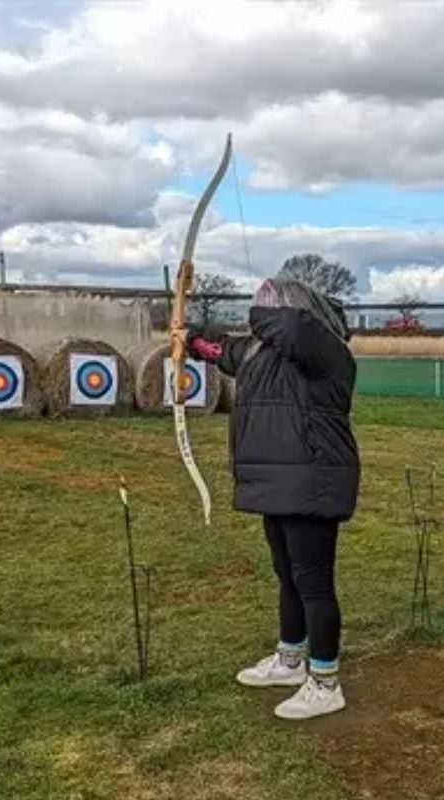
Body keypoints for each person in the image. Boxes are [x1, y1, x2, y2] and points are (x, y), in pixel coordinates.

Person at [185, 277, 359, 720]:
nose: (259, 314)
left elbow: (294, 329)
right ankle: (290, 659)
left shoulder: (326, 349)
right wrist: (188, 339)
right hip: (276, 482)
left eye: (268, 306)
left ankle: (325, 683)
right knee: (288, 576)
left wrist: (262, 309)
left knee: (314, 583)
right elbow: (222, 350)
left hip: (313, 479)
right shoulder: (260, 353)